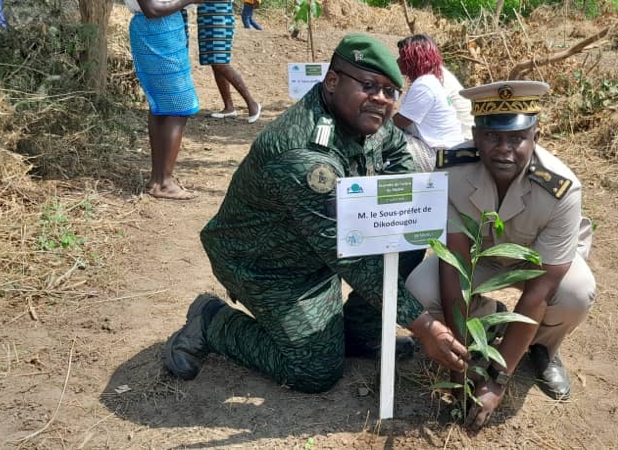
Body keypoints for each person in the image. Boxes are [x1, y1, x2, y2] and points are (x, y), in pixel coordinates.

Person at [162, 34, 469, 394]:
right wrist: (425, 326)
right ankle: (211, 321)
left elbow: (397, 149)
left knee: (404, 235)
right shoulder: (305, 157)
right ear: (333, 81)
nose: (381, 99)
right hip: (267, 266)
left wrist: (387, 205)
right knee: (315, 370)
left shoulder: (366, 116)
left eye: (390, 91)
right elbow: (349, 256)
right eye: (369, 85)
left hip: (316, 252)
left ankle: (360, 334)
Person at [405, 80, 597, 428]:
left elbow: (540, 290)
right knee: (420, 287)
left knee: (576, 293)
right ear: (476, 136)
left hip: (535, 262)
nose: (504, 149)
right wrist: (464, 364)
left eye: (517, 138)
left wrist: (498, 380)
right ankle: (489, 321)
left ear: (536, 136)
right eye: (492, 136)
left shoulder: (561, 189)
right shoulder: (451, 171)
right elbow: (455, 266)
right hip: (479, 257)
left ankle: (541, 348)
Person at [127, 0, 201, 200]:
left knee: (161, 107)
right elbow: (153, 9)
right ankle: (164, 183)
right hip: (159, 32)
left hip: (161, 30)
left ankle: (157, 180)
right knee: (179, 107)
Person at [393, 34, 464, 172]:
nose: (398, 61)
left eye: (402, 57)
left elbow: (398, 123)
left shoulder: (424, 85)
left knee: (387, 140)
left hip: (439, 155)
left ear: (412, 59)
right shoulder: (431, 81)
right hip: (448, 151)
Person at [194, 0, 261, 123]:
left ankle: (252, 103)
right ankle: (229, 107)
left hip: (220, 14)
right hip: (206, 15)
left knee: (220, 63)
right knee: (215, 63)